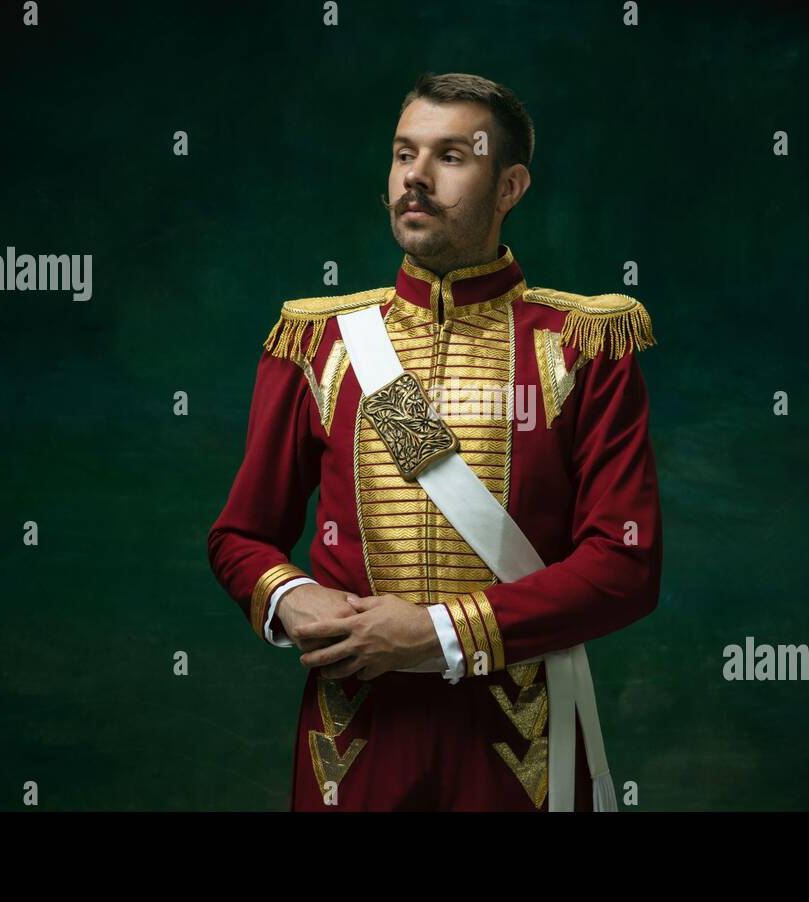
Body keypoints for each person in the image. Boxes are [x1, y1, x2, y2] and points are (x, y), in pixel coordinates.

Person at [207, 72, 662, 811]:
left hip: (521, 741)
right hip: (351, 741)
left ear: (509, 185)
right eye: (402, 154)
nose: (415, 177)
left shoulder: (584, 343)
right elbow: (240, 536)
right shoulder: (319, 340)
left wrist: (437, 631)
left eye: (451, 156)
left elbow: (625, 564)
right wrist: (290, 596)